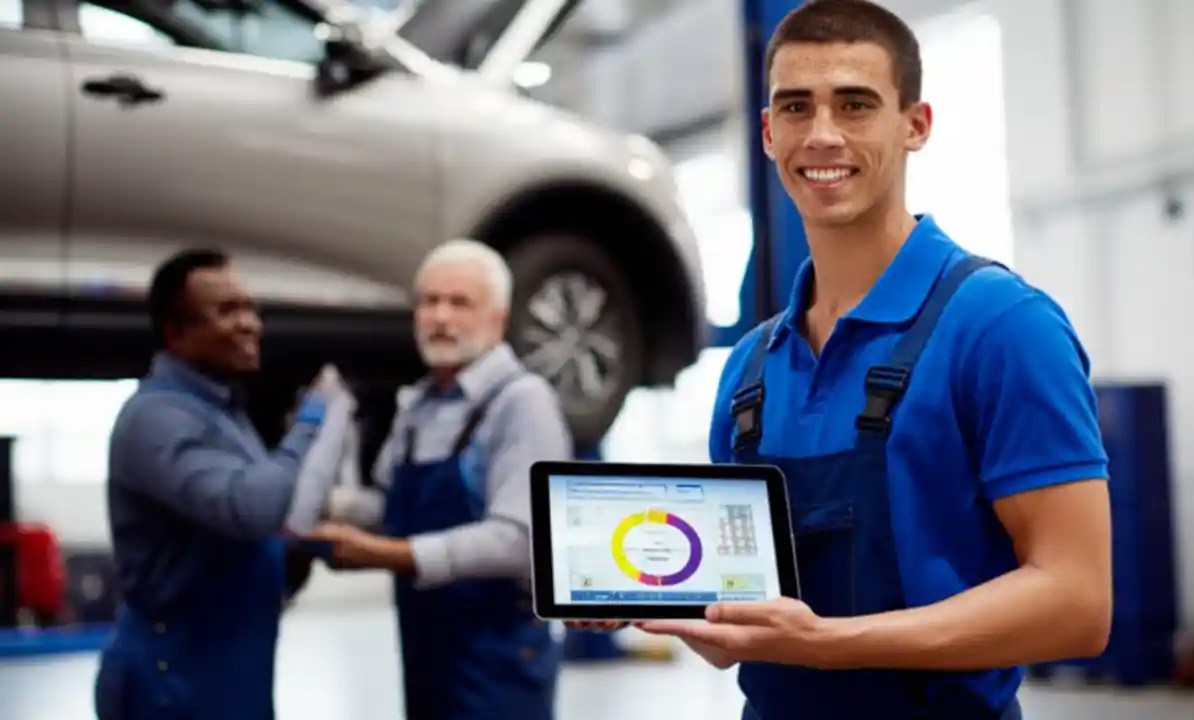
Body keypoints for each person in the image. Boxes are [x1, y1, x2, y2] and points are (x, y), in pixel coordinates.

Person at [617, 2, 1114, 718]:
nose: (822, 134)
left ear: (915, 125)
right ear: (766, 132)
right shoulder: (751, 370)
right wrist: (654, 603)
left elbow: (1077, 601)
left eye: (855, 105)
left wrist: (831, 642)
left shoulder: (1001, 328)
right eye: (796, 107)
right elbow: (738, 629)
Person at [308, 238, 573, 720]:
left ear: (497, 317)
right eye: (428, 302)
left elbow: (520, 539)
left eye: (459, 303)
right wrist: (329, 508)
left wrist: (388, 555)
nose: (440, 317)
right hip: (428, 650)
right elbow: (391, 507)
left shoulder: (521, 403)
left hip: (498, 657)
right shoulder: (419, 405)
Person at [93, 249, 353, 720]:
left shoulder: (222, 412)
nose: (250, 323)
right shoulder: (157, 418)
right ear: (175, 333)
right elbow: (250, 509)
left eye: (250, 308)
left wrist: (292, 555)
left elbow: (239, 530)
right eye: (226, 311)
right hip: (173, 682)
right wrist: (311, 419)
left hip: (231, 672)